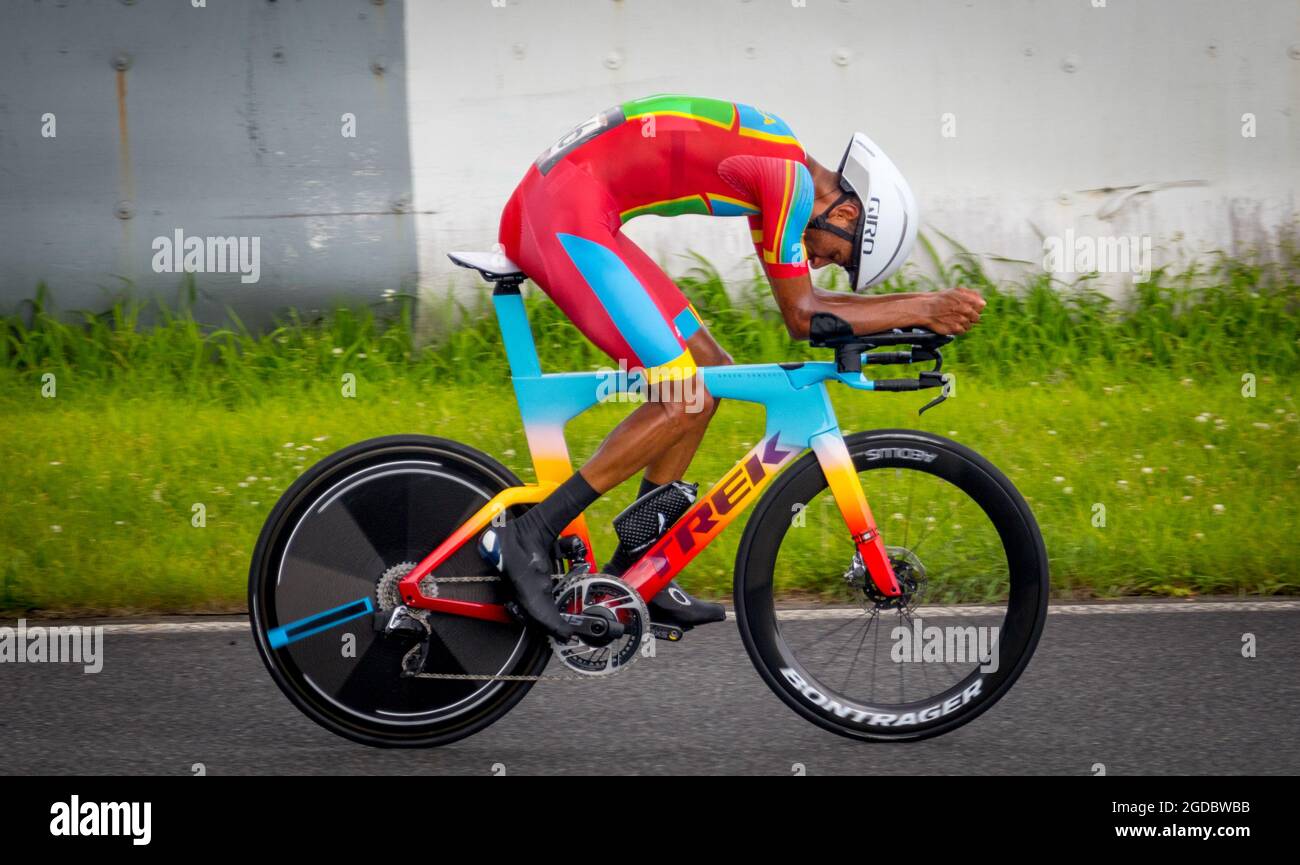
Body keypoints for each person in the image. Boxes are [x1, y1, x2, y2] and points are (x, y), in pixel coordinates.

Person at [480, 94, 985, 638]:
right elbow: (804, 316)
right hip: (562, 215)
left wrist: (914, 313)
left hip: (573, 205)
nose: (817, 262)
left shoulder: (783, 168)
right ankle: (529, 533)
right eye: (833, 255)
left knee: (709, 369)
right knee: (685, 395)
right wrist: (924, 308)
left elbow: (809, 306)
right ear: (843, 213)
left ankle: (637, 565)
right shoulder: (787, 182)